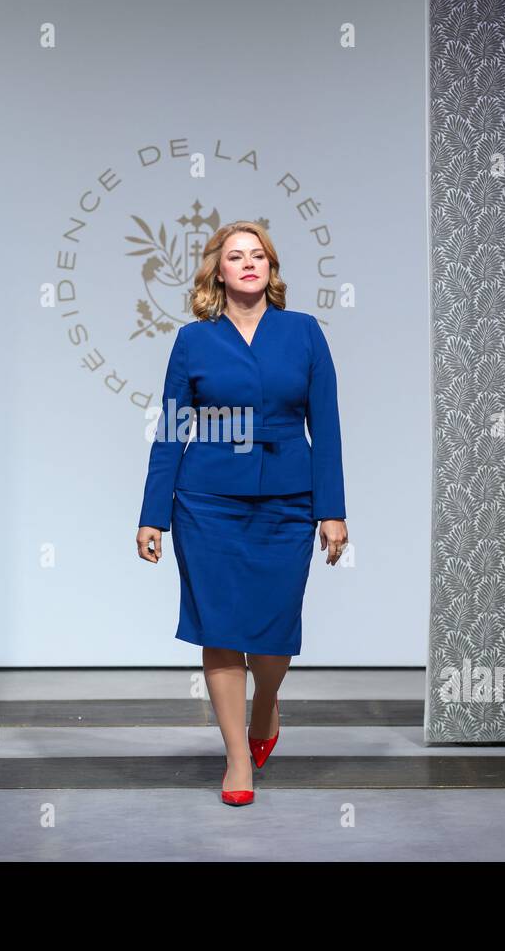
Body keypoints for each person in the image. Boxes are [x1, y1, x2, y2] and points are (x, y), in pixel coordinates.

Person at [135, 220, 348, 806]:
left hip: (287, 499)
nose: (249, 264)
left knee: (274, 634)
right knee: (221, 628)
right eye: (236, 256)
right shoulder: (193, 340)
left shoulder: (304, 333)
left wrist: (332, 510)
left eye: (259, 256)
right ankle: (236, 758)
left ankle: (269, 702)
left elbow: (325, 428)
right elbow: (172, 430)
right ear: (218, 271)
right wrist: (154, 514)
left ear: (271, 269)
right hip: (207, 502)